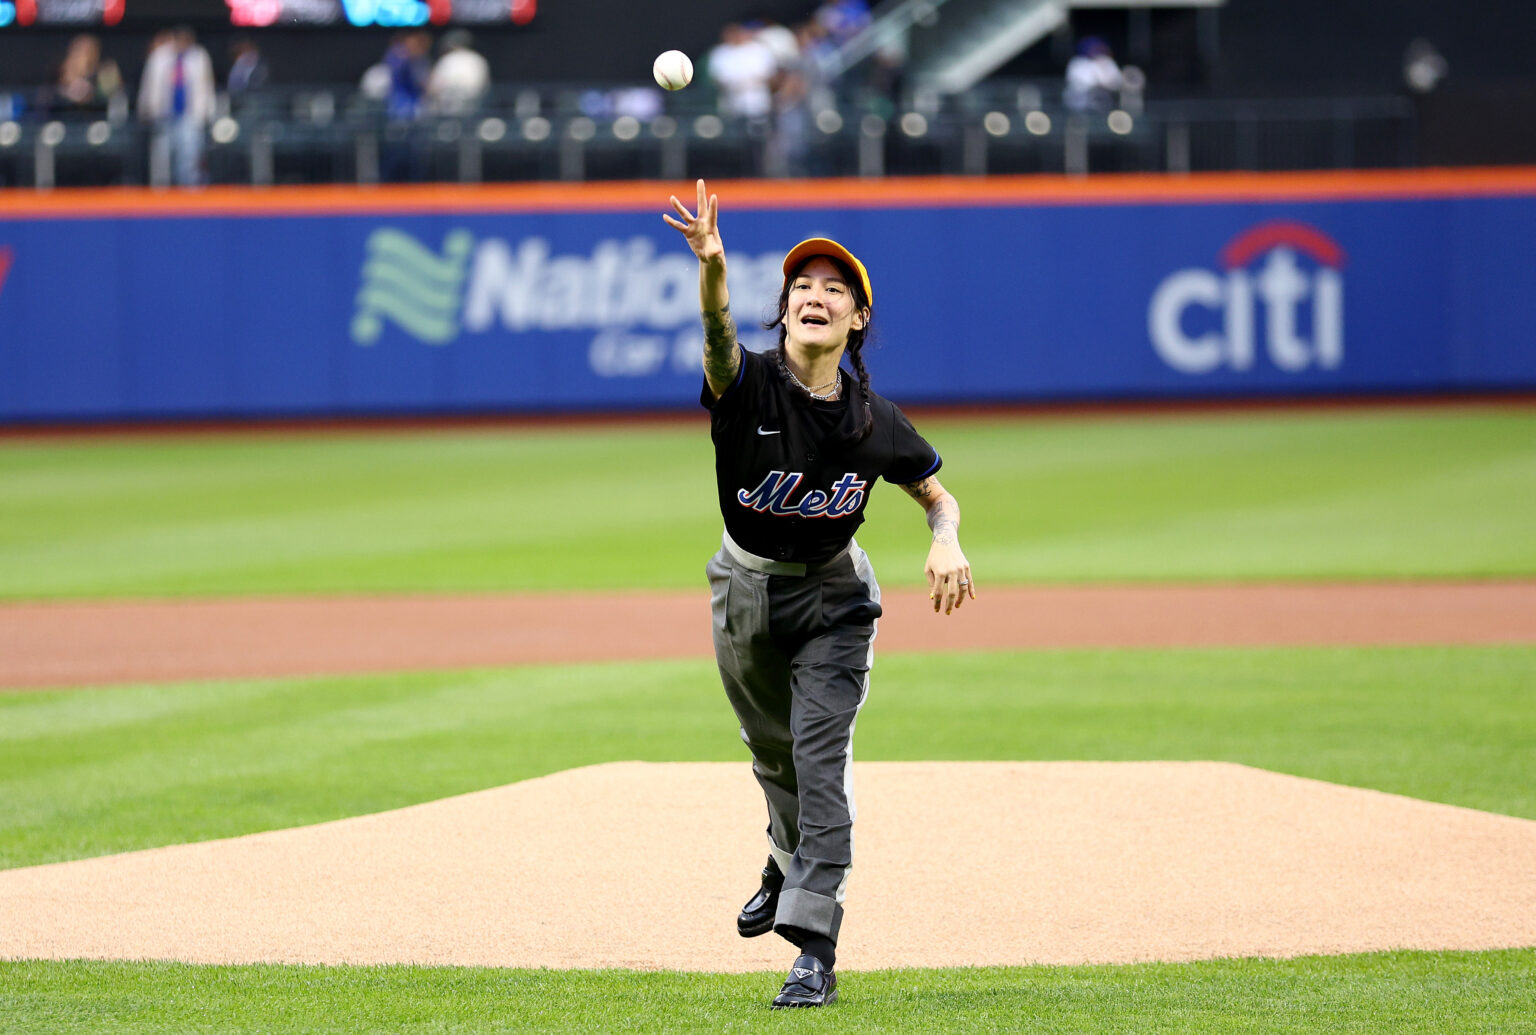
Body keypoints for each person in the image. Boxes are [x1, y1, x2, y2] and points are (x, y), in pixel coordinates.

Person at [663, 180, 975, 1009]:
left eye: (835, 288)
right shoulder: (749, 386)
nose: (815, 295)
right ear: (786, 307)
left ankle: (813, 948)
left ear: (857, 318)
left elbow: (935, 490)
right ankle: (782, 853)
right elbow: (717, 336)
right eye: (803, 285)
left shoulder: (875, 420)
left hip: (836, 598)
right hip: (744, 590)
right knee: (772, 755)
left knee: (818, 759)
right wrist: (713, 270)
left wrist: (944, 538)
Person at [137, 27, 215, 187]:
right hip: (162, 115)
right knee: (162, 156)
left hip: (190, 116)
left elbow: (207, 86)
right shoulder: (159, 56)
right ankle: (161, 191)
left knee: (189, 155)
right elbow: (148, 85)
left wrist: (208, 113)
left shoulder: (199, 57)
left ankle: (189, 192)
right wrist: (145, 109)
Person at [427, 29, 490, 116]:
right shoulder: (478, 59)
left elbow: (433, 88)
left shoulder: (447, 59)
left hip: (448, 106)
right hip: (472, 107)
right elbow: (485, 86)